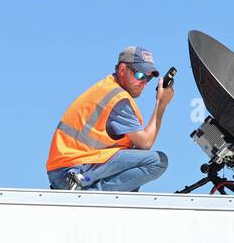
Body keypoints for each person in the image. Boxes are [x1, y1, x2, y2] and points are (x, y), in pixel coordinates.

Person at [46, 46, 174, 192]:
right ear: (122, 69)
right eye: (140, 75)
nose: (144, 82)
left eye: (148, 78)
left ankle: (90, 187)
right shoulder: (118, 99)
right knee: (158, 162)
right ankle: (93, 192)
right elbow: (145, 143)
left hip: (64, 168)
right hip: (72, 170)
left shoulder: (107, 88)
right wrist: (161, 104)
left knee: (132, 179)